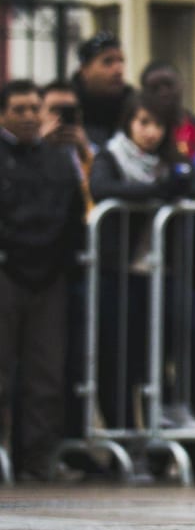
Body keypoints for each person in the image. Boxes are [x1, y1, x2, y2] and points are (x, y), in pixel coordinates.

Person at [88, 90, 195, 430]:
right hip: (118, 272)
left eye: (158, 124)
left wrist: (179, 183)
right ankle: (126, 436)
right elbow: (102, 189)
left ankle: (174, 402)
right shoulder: (111, 156)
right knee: (122, 356)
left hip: (161, 273)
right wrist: (157, 191)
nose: (151, 132)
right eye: (143, 123)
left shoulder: (173, 159)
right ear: (129, 123)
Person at [0, 79, 86, 480]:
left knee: (45, 374)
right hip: (6, 271)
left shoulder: (57, 158)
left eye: (36, 108)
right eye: (20, 109)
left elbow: (72, 213)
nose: (31, 116)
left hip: (48, 276)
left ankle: (35, 459)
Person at [138, 62, 195, 162]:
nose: (163, 92)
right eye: (155, 88)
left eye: (169, 85)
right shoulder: (139, 135)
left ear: (182, 85)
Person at [72, 31, 131, 151]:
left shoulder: (133, 106)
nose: (118, 70)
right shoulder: (71, 106)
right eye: (108, 62)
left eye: (121, 61)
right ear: (85, 70)